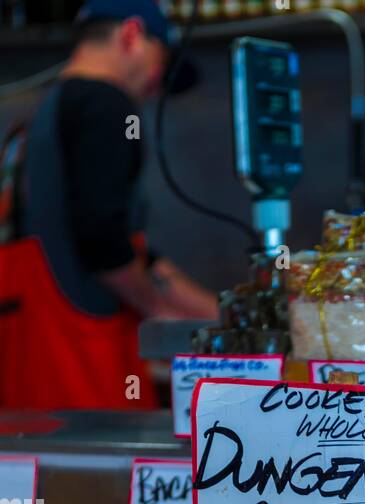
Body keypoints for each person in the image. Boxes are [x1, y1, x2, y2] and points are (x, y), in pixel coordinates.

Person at [0, 0, 218, 411]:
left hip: (31, 361)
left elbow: (118, 240)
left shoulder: (41, 115)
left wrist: (216, 312)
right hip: (80, 362)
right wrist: (156, 310)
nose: (156, 86)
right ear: (132, 35)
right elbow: (103, 242)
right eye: (161, 63)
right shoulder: (107, 104)